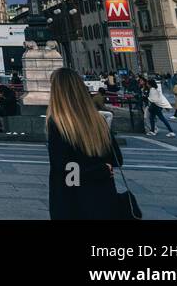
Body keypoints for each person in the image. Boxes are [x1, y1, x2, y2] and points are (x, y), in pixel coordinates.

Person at [47, 67, 126, 219]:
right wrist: (102, 169)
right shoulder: (98, 120)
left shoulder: (59, 124)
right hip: (104, 200)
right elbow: (116, 159)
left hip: (73, 203)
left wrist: (96, 171)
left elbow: (66, 171)